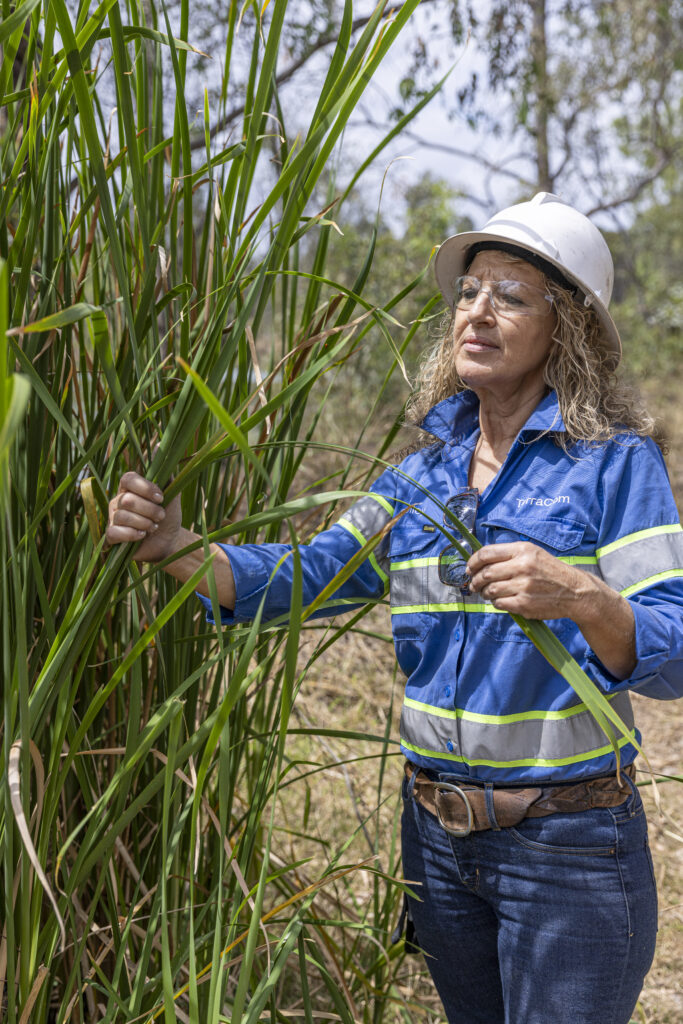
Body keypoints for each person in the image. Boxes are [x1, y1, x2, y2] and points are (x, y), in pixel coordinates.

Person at [106, 192, 683, 1024]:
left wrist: (583, 597)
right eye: (468, 292)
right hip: (438, 851)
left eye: (510, 295)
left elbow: (673, 651)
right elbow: (309, 575)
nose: (476, 312)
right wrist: (176, 546)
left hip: (569, 852)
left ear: (571, 327)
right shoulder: (420, 474)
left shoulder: (612, 468)